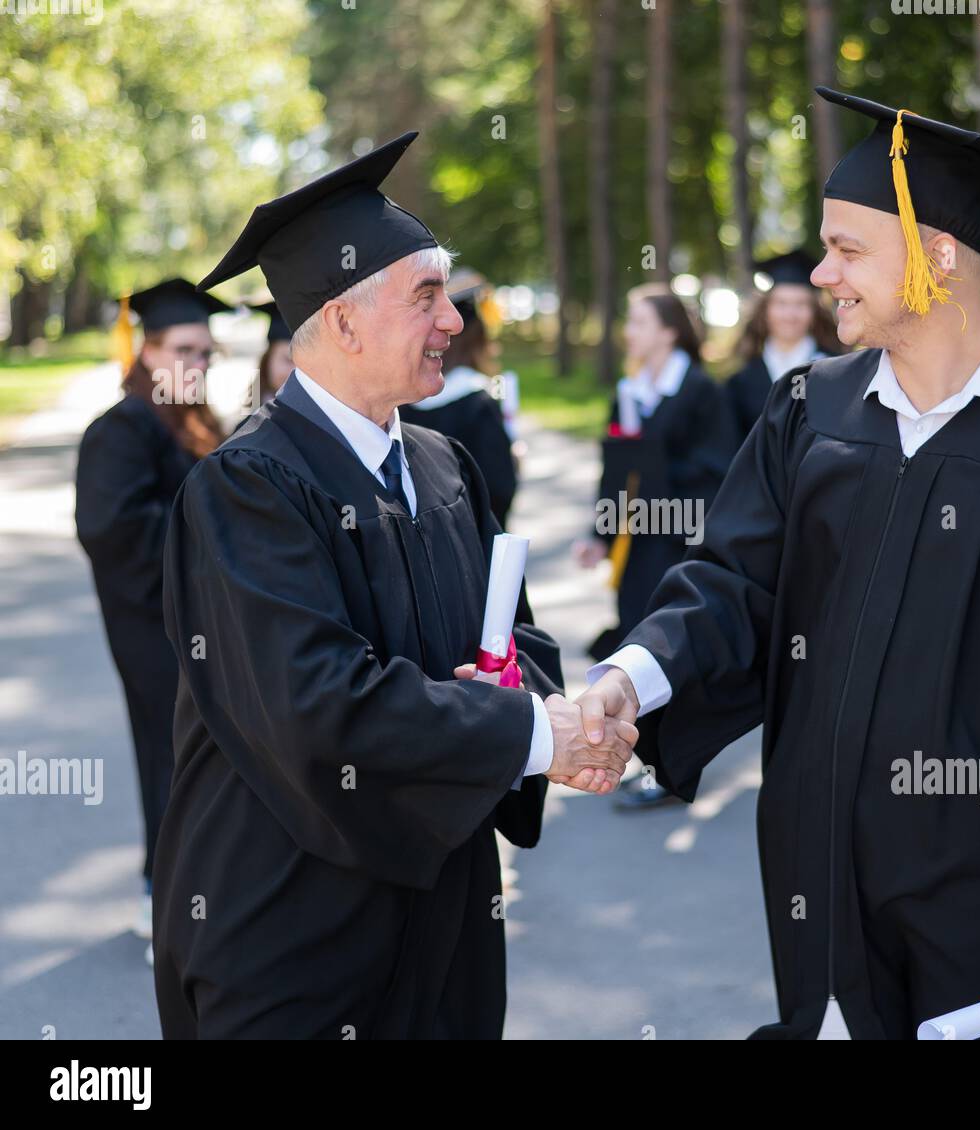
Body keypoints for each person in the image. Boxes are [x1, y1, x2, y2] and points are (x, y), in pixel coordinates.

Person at [577, 90, 980, 1038]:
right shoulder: (812, 410)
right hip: (815, 869)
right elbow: (734, 585)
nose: (819, 272)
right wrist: (631, 678)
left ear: (937, 256)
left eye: (846, 249)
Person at [152, 132, 636, 1039]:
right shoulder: (248, 486)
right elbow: (319, 704)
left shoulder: (445, 463)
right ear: (341, 320)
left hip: (447, 917)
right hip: (294, 927)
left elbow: (517, 638)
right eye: (427, 296)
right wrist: (535, 732)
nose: (455, 321)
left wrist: (544, 714)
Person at [75, 279, 230, 954]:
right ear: (147, 350)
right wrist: (210, 536)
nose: (197, 364)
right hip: (153, 628)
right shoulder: (121, 429)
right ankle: (163, 897)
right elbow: (111, 529)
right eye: (184, 350)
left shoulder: (191, 418)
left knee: (203, 757)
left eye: (205, 352)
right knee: (171, 754)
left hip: (196, 626)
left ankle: (197, 893)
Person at [573, 285, 736, 809]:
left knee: (672, 645)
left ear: (668, 330)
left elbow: (717, 468)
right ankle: (643, 757)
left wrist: (658, 476)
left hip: (683, 539)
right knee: (634, 639)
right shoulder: (630, 388)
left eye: (640, 322)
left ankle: (671, 768)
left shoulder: (698, 390)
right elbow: (616, 470)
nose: (630, 332)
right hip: (639, 540)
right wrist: (601, 533)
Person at [399, 268, 517, 528]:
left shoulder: (402, 400)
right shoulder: (479, 403)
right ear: (478, 336)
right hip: (470, 536)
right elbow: (498, 490)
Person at [725, 250, 841, 443]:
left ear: (814, 311)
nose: (790, 315)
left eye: (801, 304)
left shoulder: (837, 371)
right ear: (765, 310)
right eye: (781, 304)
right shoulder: (741, 381)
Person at [252, 300, 294, 405]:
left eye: (305, 364)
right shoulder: (251, 416)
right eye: (288, 360)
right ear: (268, 358)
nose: (295, 371)